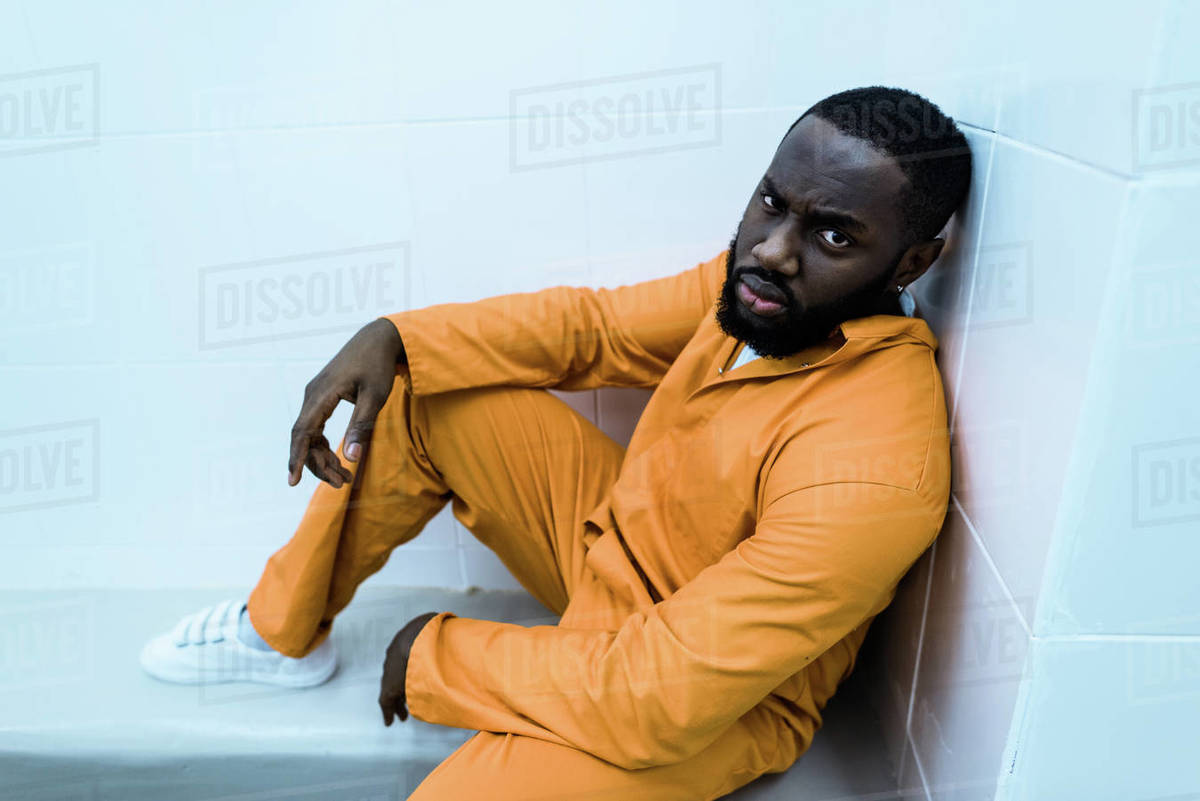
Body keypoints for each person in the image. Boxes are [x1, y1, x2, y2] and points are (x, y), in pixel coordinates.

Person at [141, 85, 972, 800]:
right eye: (771, 202)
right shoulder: (763, 293)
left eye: (832, 236)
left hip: (711, 700)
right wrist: (392, 335)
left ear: (913, 261)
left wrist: (440, 655)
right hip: (617, 554)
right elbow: (593, 329)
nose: (771, 249)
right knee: (425, 391)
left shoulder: (876, 464)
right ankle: (280, 634)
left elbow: (657, 696)